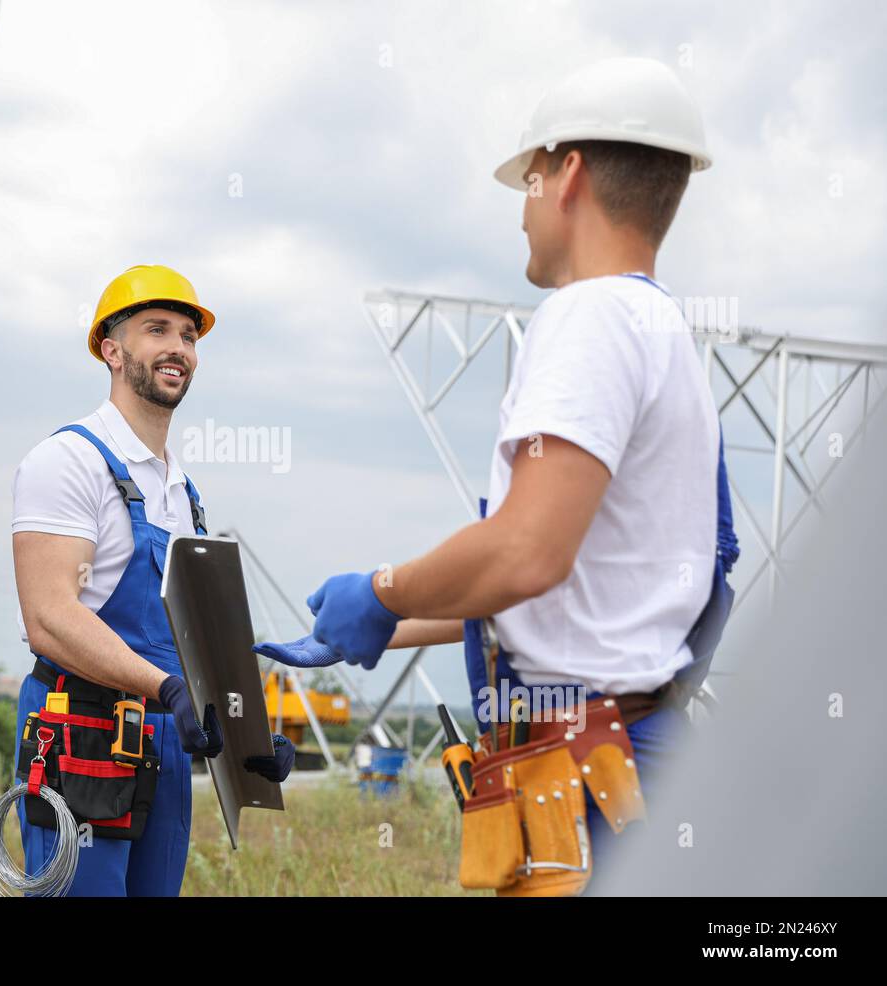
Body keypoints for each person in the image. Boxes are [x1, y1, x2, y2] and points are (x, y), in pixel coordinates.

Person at [257, 58, 737, 888]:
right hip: (626, 762)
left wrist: (382, 590)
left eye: (529, 181)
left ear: (569, 174)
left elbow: (525, 552)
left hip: (586, 779)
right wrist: (384, 627)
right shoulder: (663, 331)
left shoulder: (587, 318)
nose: (521, 216)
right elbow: (577, 590)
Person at [11, 264, 294, 896]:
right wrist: (167, 690)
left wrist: (245, 734)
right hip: (78, 738)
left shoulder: (181, 490)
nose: (178, 348)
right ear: (111, 351)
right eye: (156, 329)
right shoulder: (68, 462)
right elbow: (50, 617)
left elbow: (192, 640)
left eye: (189, 336)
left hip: (162, 746)